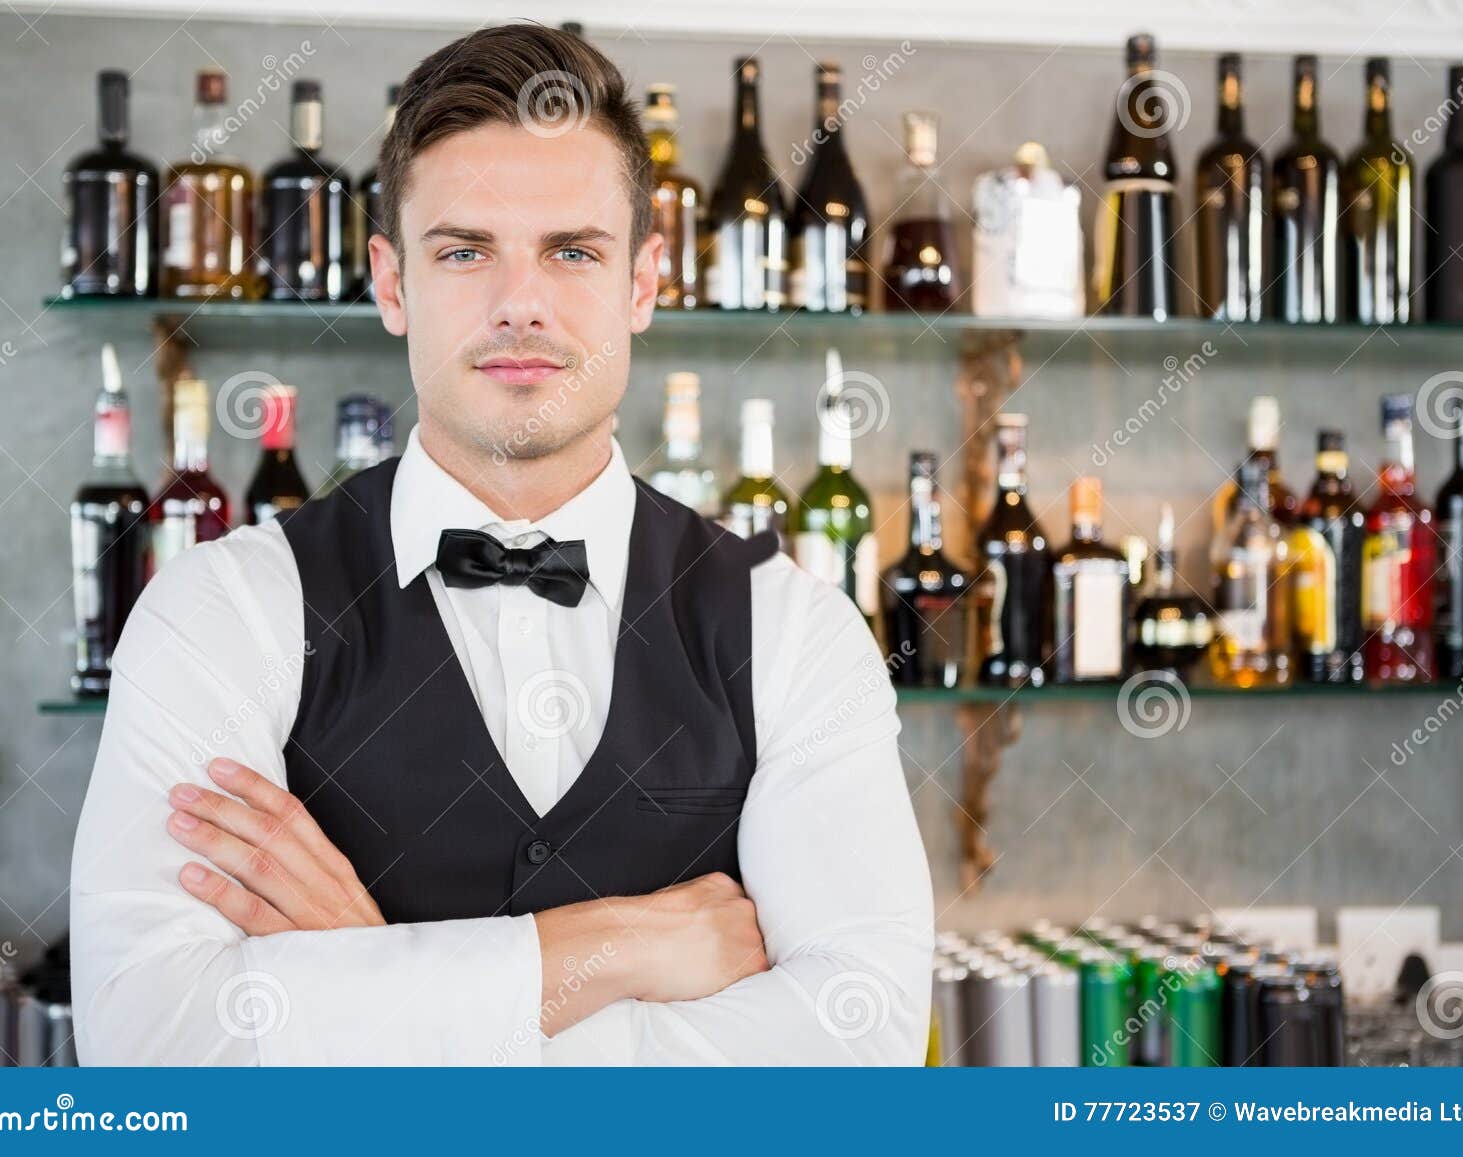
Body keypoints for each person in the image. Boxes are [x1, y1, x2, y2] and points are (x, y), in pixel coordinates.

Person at [70, 23, 933, 1065]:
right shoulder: (221, 611)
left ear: (644, 284)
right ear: (391, 284)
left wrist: (377, 986)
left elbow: (860, 1038)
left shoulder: (792, 629)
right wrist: (610, 947)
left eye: (573, 251)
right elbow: (149, 1039)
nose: (520, 303)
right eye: (465, 250)